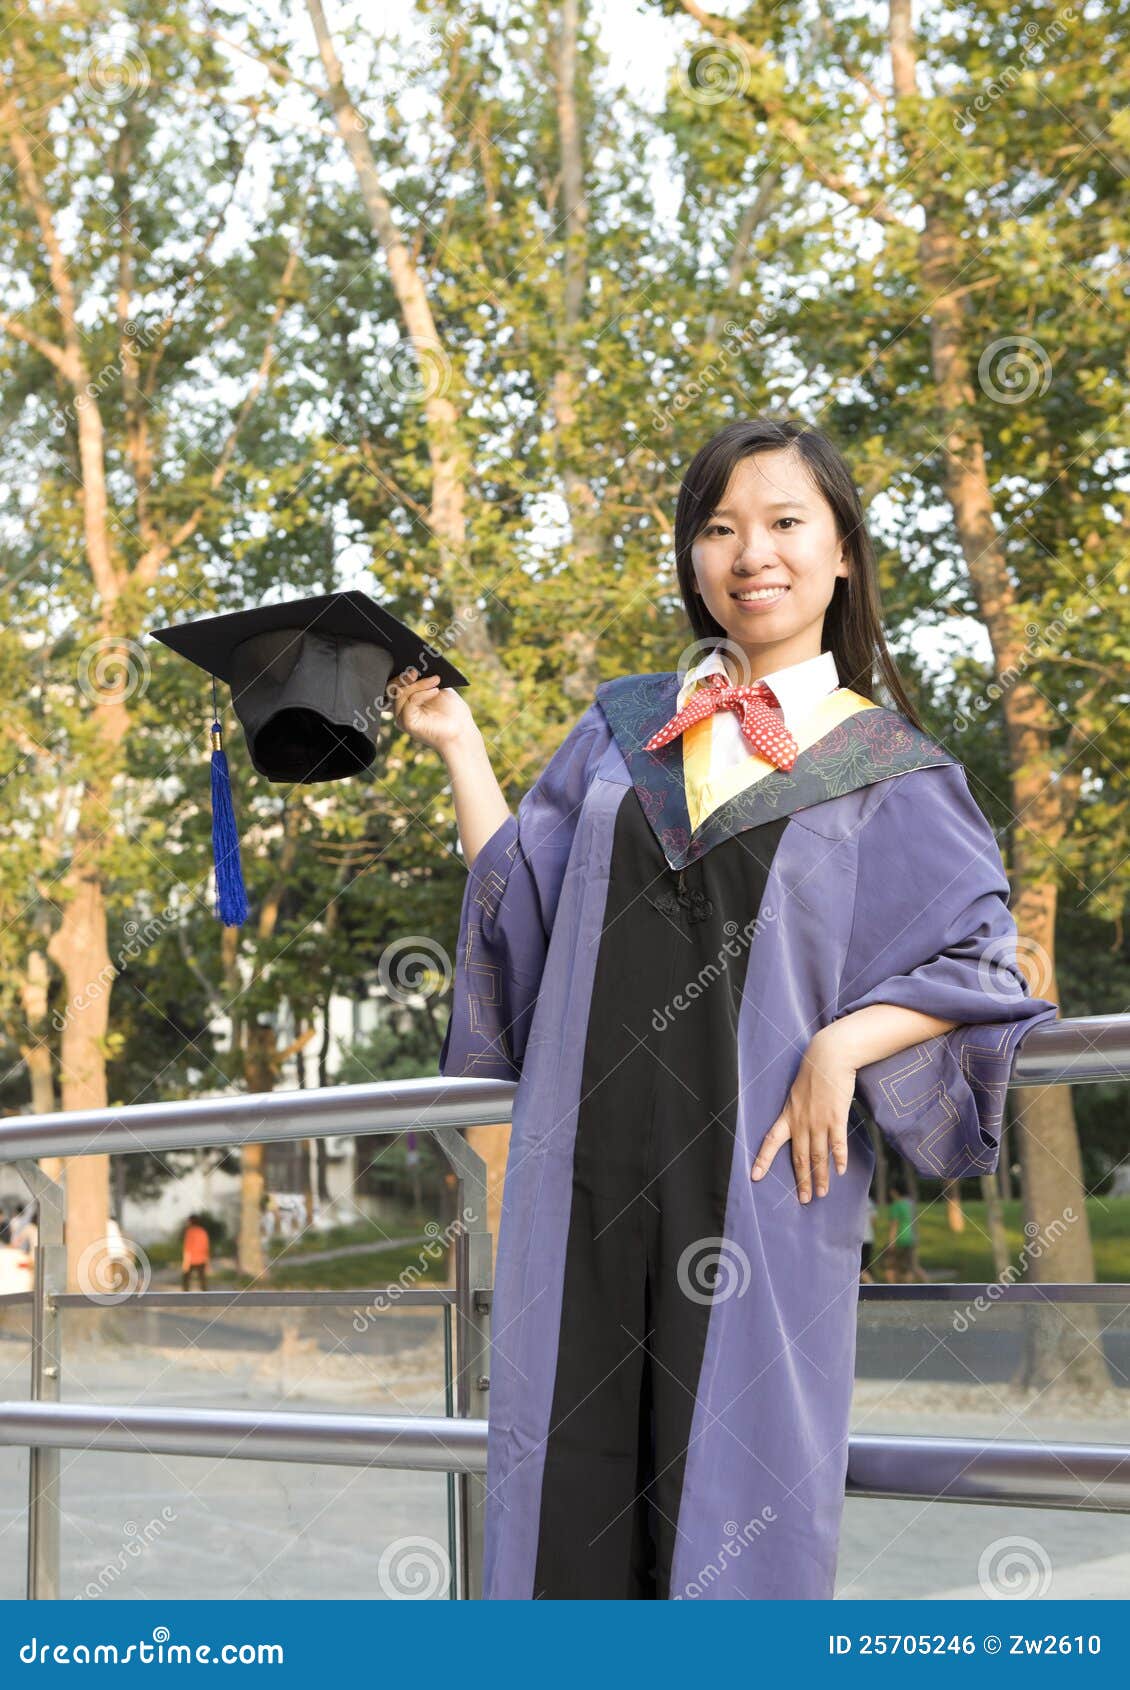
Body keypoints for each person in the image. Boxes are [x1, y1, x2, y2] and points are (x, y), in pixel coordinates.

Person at [395, 414, 1060, 1601]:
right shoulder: (619, 733)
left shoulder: (887, 767)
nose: (751, 551)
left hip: (756, 1189)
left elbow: (983, 960)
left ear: (842, 551)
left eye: (783, 522)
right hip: (581, 1175)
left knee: (736, 1508)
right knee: (563, 1484)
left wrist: (849, 1039)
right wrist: (458, 745)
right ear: (692, 559)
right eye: (717, 527)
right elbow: (525, 917)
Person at [886, 1178, 918, 1284]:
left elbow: (894, 1225)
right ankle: (910, 1288)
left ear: (895, 1192)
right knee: (909, 1267)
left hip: (900, 1239)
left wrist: (891, 1242)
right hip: (911, 1237)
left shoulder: (896, 1205)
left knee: (891, 1267)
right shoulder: (909, 1204)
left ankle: (892, 1290)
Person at [181, 1214, 210, 1291]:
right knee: (203, 1281)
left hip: (191, 1260)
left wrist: (185, 1262)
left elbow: (187, 1248)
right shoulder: (203, 1232)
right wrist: (207, 1262)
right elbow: (206, 1248)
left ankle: (185, 1297)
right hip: (201, 1259)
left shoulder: (190, 1232)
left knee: (186, 1281)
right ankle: (206, 1297)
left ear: (190, 1222)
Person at [860, 1192, 878, 1285]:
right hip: (869, 1238)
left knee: (861, 1269)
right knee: (865, 1267)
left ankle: (873, 1286)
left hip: (860, 1239)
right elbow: (874, 1220)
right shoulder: (870, 1202)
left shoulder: (854, 1200)